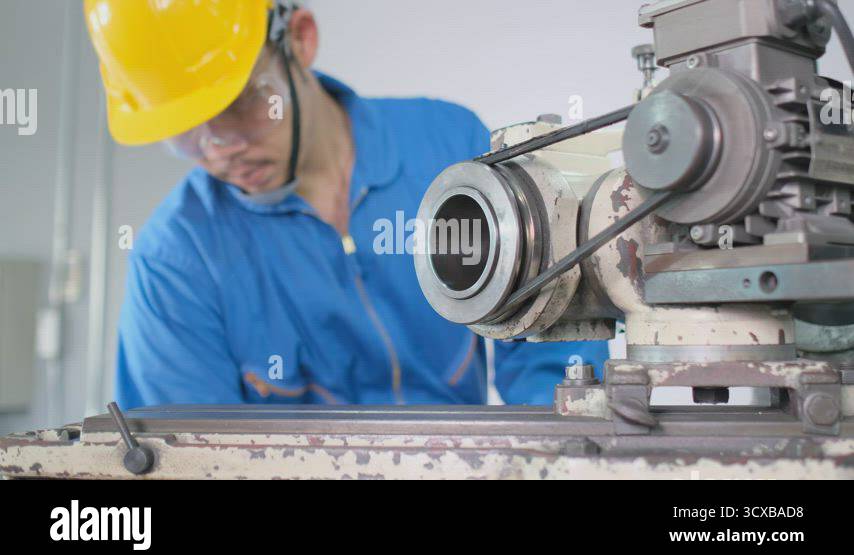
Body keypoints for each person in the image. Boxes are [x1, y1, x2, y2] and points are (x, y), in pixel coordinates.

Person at [84, 0, 610, 408]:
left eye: (239, 103)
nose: (218, 148)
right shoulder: (176, 258)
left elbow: (551, 348)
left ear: (300, 39)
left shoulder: (446, 146)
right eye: (184, 132)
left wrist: (556, 452)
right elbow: (182, 457)